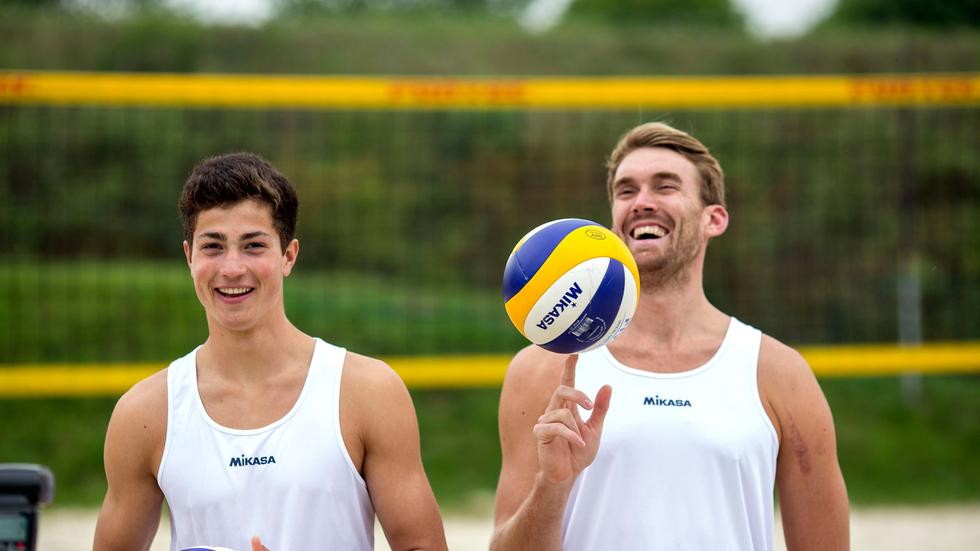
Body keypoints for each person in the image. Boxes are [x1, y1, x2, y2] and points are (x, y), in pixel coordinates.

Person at [491, 122, 850, 550]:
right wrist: (552, 486)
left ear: (712, 219)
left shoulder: (778, 373)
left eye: (665, 187)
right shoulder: (543, 368)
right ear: (612, 222)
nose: (641, 202)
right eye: (626, 191)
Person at [93, 153, 447, 551]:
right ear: (190, 258)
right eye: (213, 246)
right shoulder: (145, 413)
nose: (231, 268)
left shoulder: (367, 391)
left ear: (288, 256)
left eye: (253, 246)